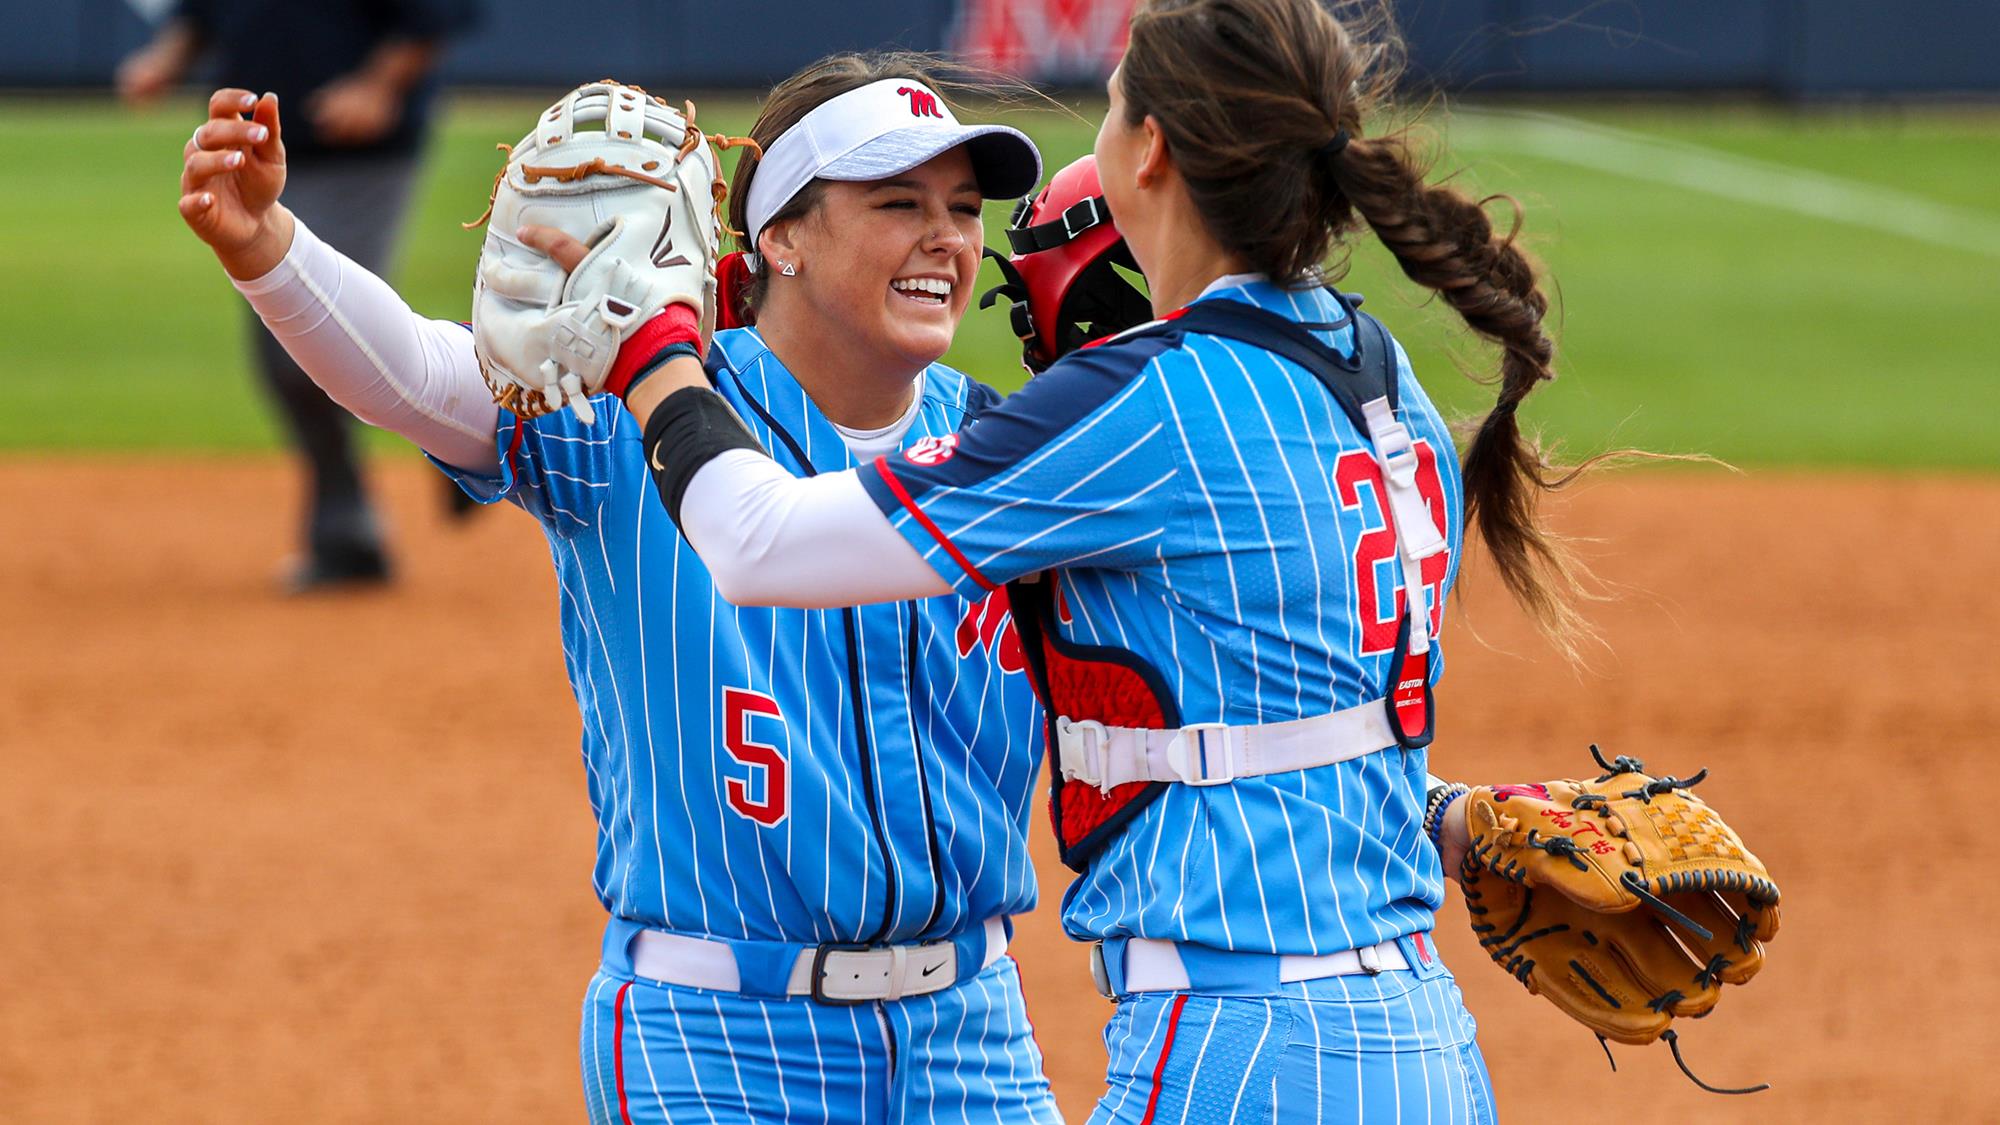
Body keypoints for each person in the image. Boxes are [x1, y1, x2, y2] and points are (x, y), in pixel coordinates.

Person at [619, 0, 1593, 1118]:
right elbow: (1280, 712)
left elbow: (757, 542)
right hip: (1422, 1040)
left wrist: (655, 349)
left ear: (1152, 151)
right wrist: (1452, 820)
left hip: (1242, 1055)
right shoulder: (1379, 380)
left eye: (1113, 99)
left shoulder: (1151, 400)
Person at [175, 56, 1066, 1124]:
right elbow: (415, 372)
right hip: (719, 1043)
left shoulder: (1006, 448)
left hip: (972, 1036)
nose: (948, 239)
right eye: (897, 204)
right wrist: (269, 247)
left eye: (964, 210)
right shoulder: (629, 414)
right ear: (778, 237)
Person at [121, 0, 479, 590]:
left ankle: (444, 421)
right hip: (253, 163)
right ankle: (455, 400)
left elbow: (429, 17)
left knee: (302, 341)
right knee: (287, 346)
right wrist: (165, 59)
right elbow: (204, 16)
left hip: (359, 157)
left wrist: (376, 86)